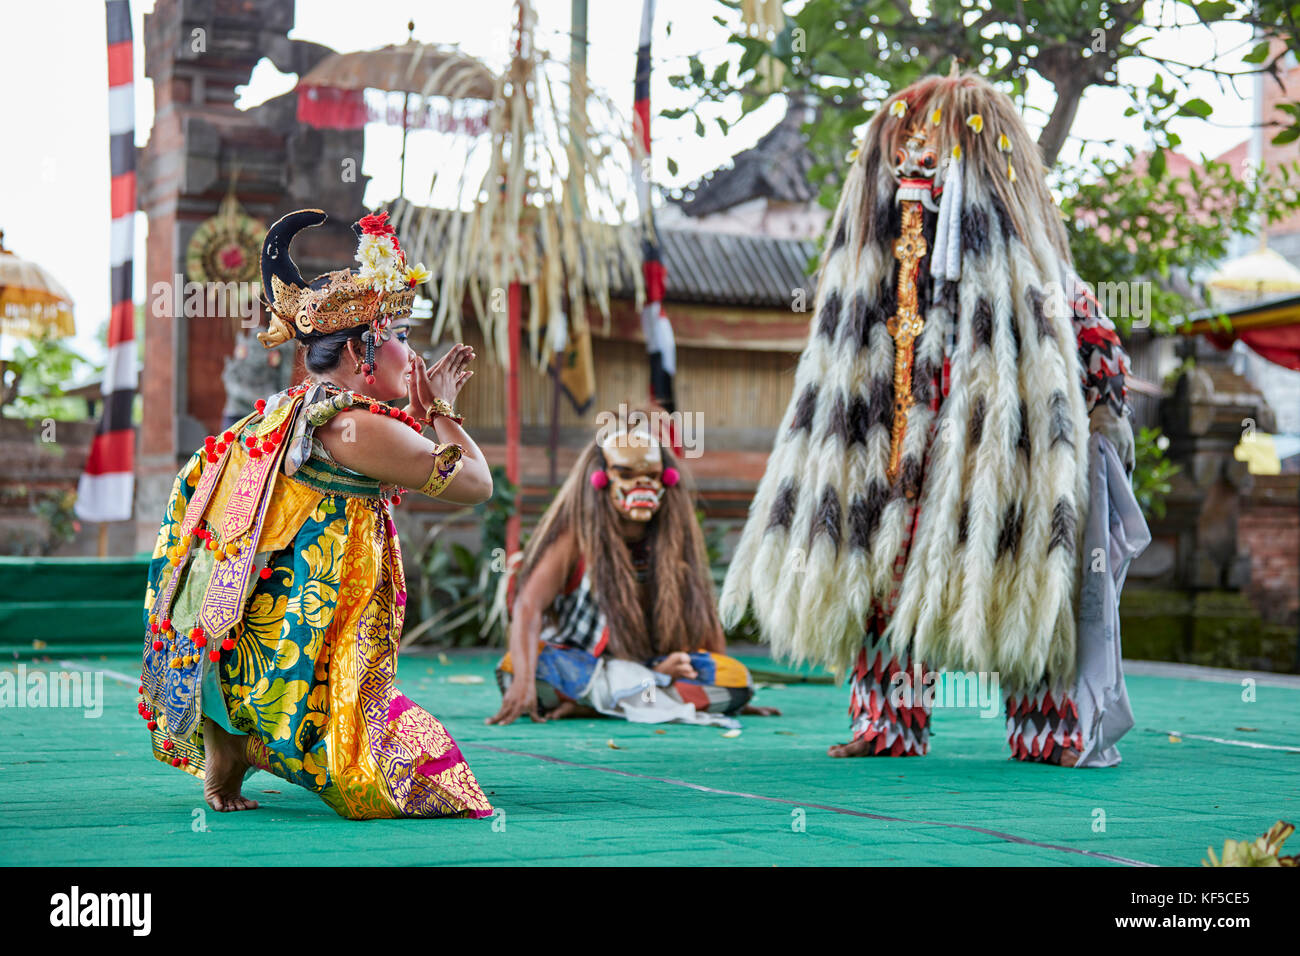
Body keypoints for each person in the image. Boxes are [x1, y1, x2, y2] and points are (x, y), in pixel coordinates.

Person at [720, 72, 1138, 764]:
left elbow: (1088, 336)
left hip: (999, 453)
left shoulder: (1029, 268)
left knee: (1017, 576)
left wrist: (1102, 409)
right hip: (888, 454)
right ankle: (887, 726)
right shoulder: (866, 268)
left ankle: (1047, 731)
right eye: (902, 141)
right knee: (878, 579)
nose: (915, 153)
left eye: (934, 141)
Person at [139, 208, 495, 817]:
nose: (410, 352)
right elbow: (476, 484)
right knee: (435, 779)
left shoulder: (288, 410)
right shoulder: (356, 425)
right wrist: (441, 410)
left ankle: (235, 734)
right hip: (323, 622)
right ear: (363, 349)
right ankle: (271, 743)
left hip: (285, 625)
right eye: (400, 337)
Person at [487, 415, 778, 727]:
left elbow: (702, 614)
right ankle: (628, 694)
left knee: (735, 678)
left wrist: (728, 686)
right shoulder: (576, 536)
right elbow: (528, 606)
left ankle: (601, 702)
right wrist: (523, 684)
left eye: (651, 475)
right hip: (581, 667)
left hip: (653, 667)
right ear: (600, 477)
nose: (642, 484)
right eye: (626, 473)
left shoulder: (672, 539)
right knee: (519, 668)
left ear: (667, 479)